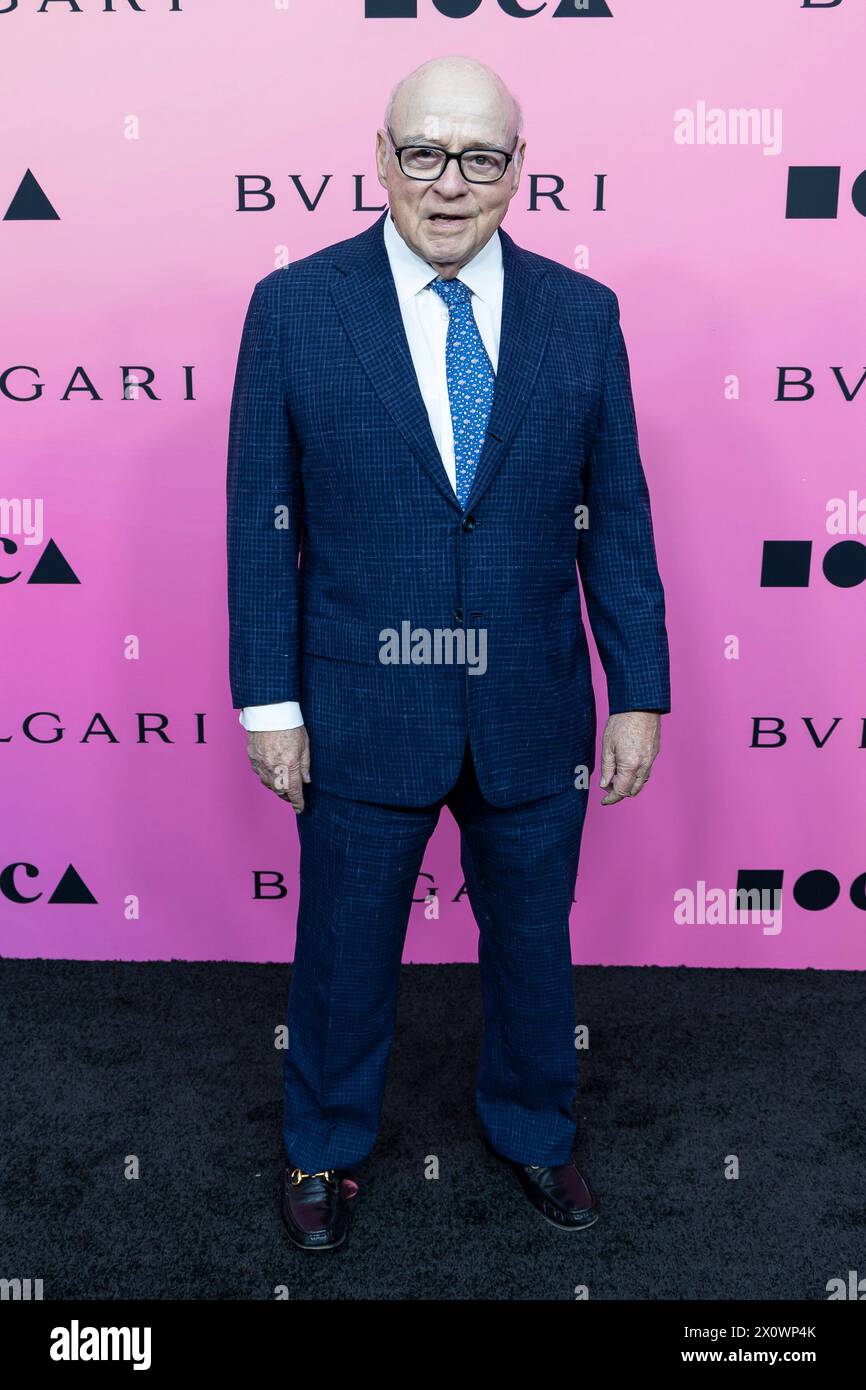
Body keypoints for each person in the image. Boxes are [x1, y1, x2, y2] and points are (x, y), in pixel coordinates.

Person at [226, 55, 670, 1252]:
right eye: (423, 151)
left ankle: (533, 1130)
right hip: (361, 702)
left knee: (533, 942)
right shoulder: (296, 309)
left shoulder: (583, 315)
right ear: (379, 157)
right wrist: (268, 702)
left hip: (532, 701)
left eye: (479, 157)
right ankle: (322, 1148)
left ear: (516, 170)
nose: (448, 183)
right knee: (343, 949)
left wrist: (639, 692)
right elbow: (260, 519)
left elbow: (615, 514)